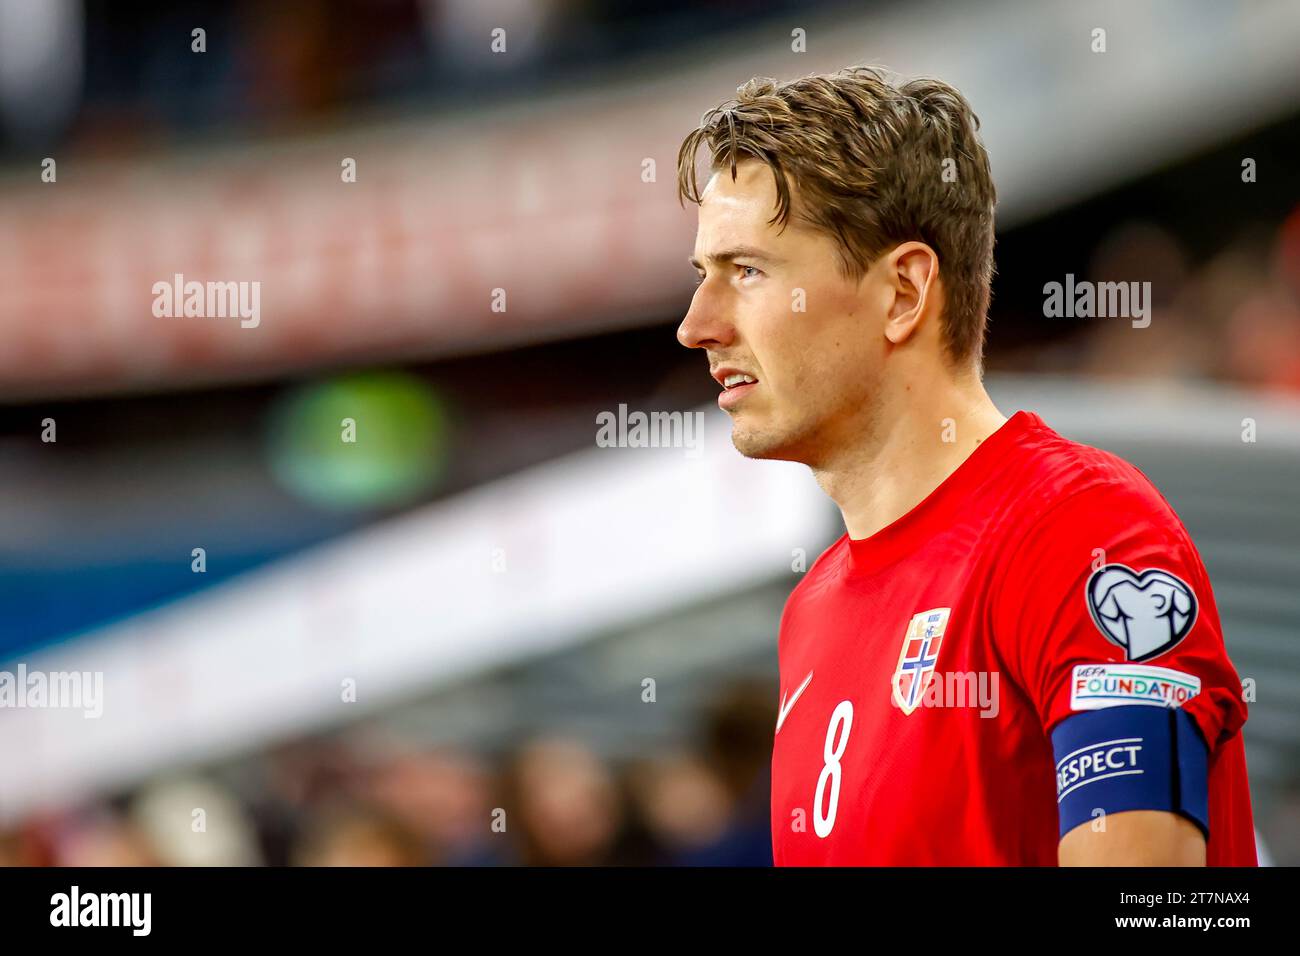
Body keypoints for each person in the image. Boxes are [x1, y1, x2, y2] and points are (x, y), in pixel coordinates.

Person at [674, 66, 1255, 865]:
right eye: (702, 278)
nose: (696, 325)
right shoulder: (809, 613)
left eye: (748, 272)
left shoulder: (1082, 529)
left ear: (905, 291)